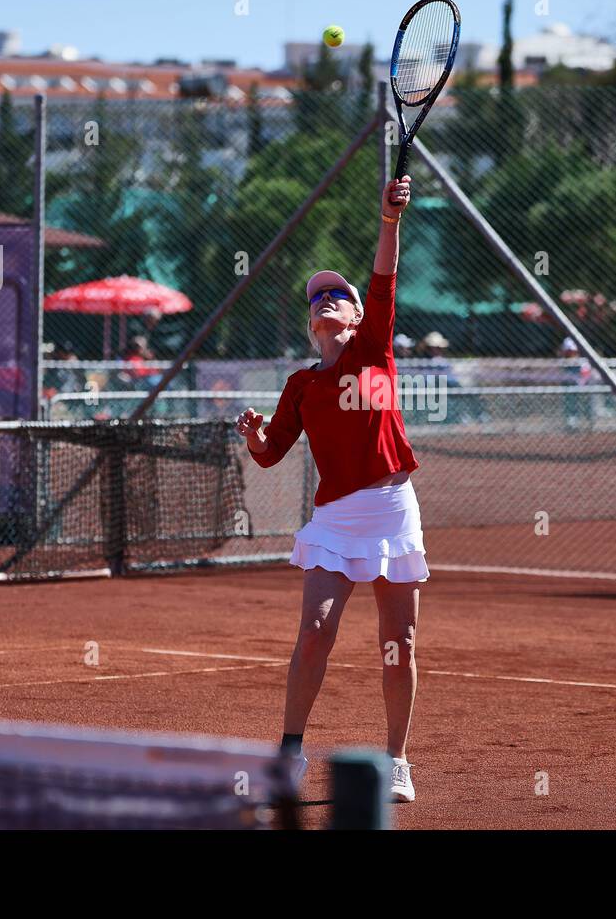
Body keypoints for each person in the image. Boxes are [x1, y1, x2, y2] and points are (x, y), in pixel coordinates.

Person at [235, 176, 423, 804]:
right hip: (338, 518)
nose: (323, 301)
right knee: (315, 629)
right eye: (316, 298)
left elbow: (384, 279)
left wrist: (389, 220)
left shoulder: (375, 350)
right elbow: (269, 457)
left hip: (393, 509)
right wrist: (255, 437)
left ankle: (396, 761)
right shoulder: (300, 386)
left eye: (336, 296)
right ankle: (290, 753)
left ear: (356, 315)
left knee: (398, 642)